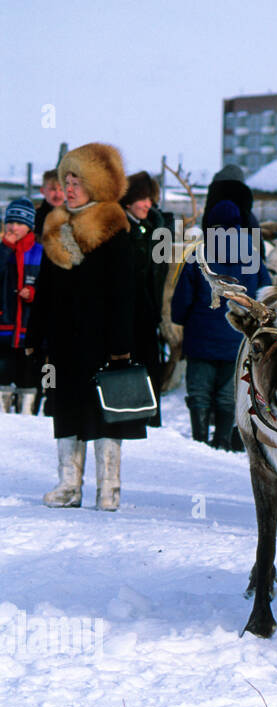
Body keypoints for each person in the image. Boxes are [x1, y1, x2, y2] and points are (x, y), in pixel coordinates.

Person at [25, 143, 143, 511]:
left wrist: (122, 343)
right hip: (63, 341)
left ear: (97, 185)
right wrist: (35, 334)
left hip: (103, 341)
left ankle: (109, 488)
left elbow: (126, 294)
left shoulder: (114, 230)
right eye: (67, 180)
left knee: (105, 410)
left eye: (78, 181)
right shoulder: (55, 225)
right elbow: (44, 288)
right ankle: (68, 485)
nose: (69, 188)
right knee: (66, 408)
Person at [171, 199, 271, 451]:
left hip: (200, 341)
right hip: (237, 342)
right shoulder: (253, 257)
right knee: (229, 396)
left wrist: (183, 321)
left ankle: (199, 442)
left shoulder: (198, 256)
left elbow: (181, 302)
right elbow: (267, 296)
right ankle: (224, 442)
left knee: (199, 394)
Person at [121, 171, 169, 426]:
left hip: (148, 314)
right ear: (128, 200)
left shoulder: (152, 228)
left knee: (150, 368)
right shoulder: (119, 228)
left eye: (150, 199)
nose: (148, 204)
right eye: (142, 198)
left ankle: (149, 418)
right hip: (124, 315)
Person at [1, 198, 43, 414]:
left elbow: (47, 285)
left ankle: (28, 414)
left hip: (29, 329)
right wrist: (5, 251)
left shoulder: (39, 252)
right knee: (3, 374)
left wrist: (33, 293)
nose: (13, 228)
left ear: (30, 227)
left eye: (19, 223)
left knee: (29, 376)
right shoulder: (2, 251)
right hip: (4, 329)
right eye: (10, 222)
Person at [34, 169, 63, 238]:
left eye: (61, 189)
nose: (58, 195)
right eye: (53, 189)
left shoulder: (75, 217)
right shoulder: (34, 218)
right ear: (42, 191)